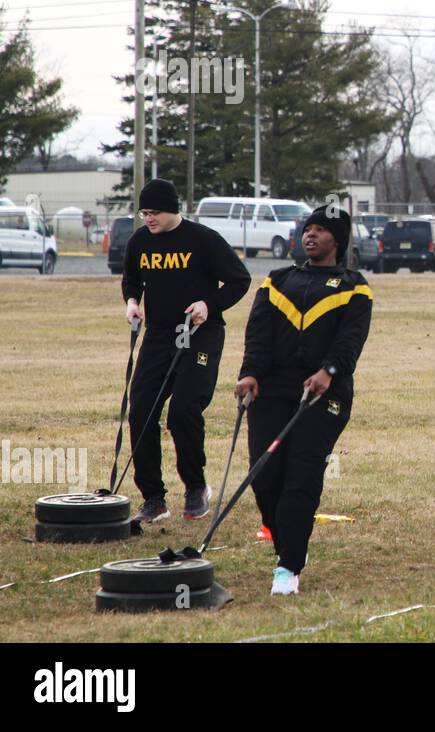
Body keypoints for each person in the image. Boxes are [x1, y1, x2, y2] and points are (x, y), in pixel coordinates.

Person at [234, 205, 372, 596]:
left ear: (337, 241)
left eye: (320, 230)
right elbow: (258, 334)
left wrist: (328, 371)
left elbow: (351, 339)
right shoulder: (276, 282)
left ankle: (288, 566)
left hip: (323, 394)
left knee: (301, 478)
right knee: (265, 477)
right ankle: (289, 545)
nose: (310, 235)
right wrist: (249, 373)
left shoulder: (354, 287)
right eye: (307, 229)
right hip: (272, 391)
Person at [121, 178, 251, 523]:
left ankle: (196, 486)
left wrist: (209, 304)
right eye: (144, 212)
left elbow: (240, 280)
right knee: (141, 413)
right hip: (159, 336)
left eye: (156, 213)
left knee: (183, 411)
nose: (149, 219)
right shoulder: (140, 242)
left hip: (200, 335)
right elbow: (131, 279)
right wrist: (132, 302)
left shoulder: (203, 239)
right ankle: (153, 498)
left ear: (173, 210)